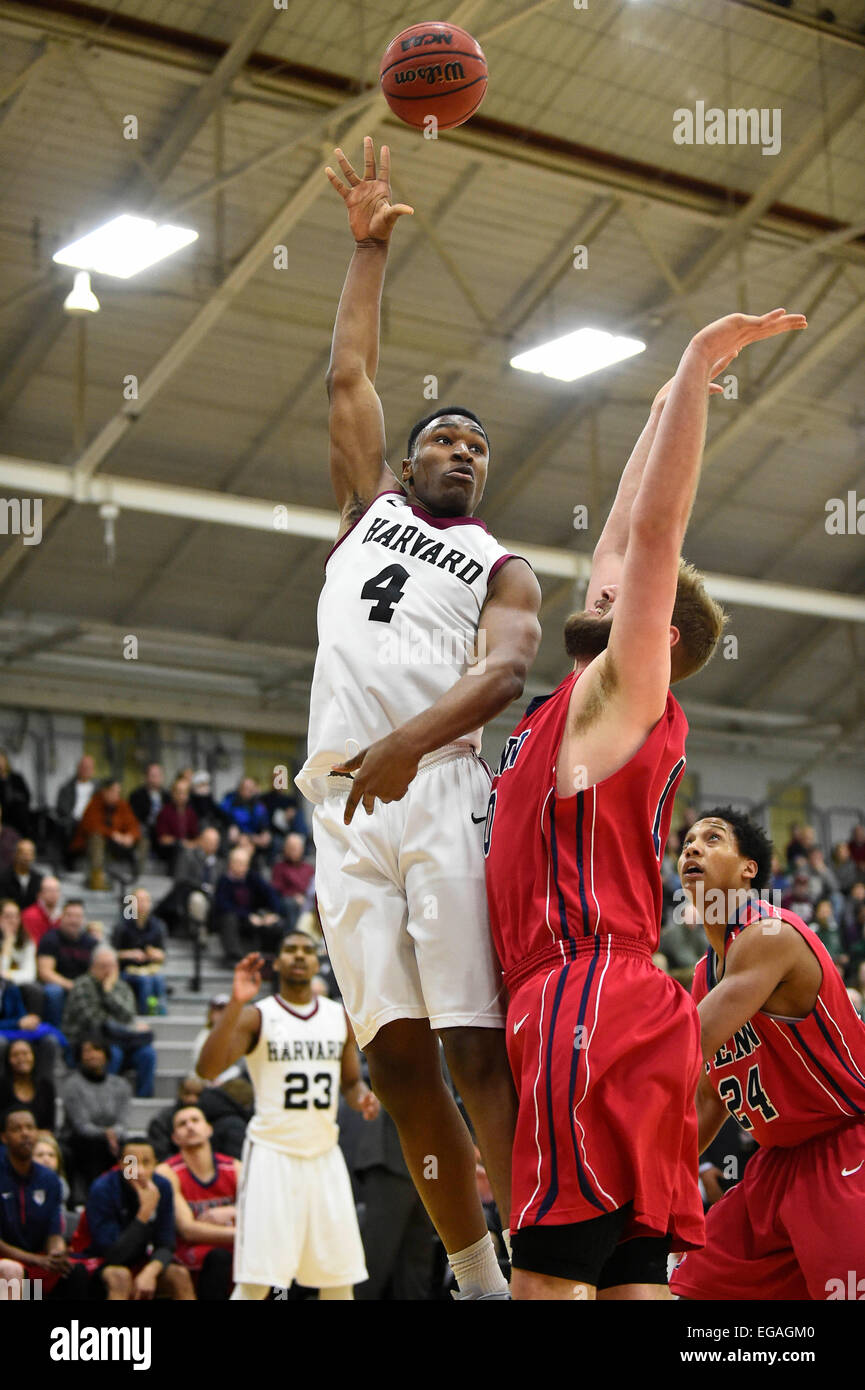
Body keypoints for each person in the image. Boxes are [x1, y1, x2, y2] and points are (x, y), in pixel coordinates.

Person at [484, 308, 806, 1301]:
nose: (605, 575)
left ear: (655, 632)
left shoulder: (627, 691)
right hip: (626, 1009)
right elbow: (626, 526)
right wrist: (668, 405)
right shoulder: (585, 703)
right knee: (629, 1281)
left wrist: (698, 357)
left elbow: (656, 530)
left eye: (622, 591)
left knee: (544, 1282)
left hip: (584, 997)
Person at [293, 136, 544, 1302]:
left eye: (480, 445)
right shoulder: (365, 511)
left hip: (439, 788)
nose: (465, 450)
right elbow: (348, 376)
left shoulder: (503, 565)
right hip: (341, 804)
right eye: (446, 436)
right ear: (407, 459)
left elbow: (503, 682)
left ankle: (546, 1260)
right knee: (395, 1062)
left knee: (472, 1046)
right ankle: (478, 1278)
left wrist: (404, 744)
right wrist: (366, 250)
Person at [669, 809, 865, 1301]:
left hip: (845, 1145)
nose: (692, 847)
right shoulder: (700, 977)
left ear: (747, 868)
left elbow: (682, 1049)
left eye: (712, 839)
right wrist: (655, 1177)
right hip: (774, 1166)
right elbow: (709, 1099)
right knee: (691, 1291)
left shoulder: (768, 935)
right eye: (687, 841)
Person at [198, 932, 378, 1299]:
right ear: (277, 962)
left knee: (339, 1278)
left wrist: (362, 1098)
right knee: (258, 1279)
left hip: (325, 1156)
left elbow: (350, 1082)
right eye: (290, 950)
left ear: (317, 963)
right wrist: (235, 1002)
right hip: (271, 1154)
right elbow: (207, 1069)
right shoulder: (257, 1016)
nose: (299, 956)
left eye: (307, 950)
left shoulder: (338, 1015)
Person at [78, 1135, 194, 1300]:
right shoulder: (102, 1188)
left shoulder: (163, 1186)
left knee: (179, 1275)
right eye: (131, 1163)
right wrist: (144, 1213)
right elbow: (113, 1255)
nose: (139, 1170)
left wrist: (150, 1272)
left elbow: (166, 1244)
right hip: (98, 1261)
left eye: (146, 1162)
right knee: (120, 1277)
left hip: (138, 1259)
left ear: (156, 1164)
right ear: (120, 1164)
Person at [0, 1107, 88, 1300]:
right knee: (12, 1273)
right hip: (7, 1262)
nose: (25, 1133)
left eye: (30, 1128)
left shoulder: (49, 1179)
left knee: (75, 1272)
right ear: (4, 1137)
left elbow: (53, 1231)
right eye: (17, 1129)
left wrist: (56, 1253)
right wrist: (37, 1260)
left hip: (37, 1262)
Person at [157, 1105, 240, 1300]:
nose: (190, 1126)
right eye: (182, 1124)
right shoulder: (168, 1172)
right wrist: (244, 1236)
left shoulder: (235, 1167)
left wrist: (233, 1210)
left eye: (195, 1120)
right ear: (175, 1138)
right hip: (190, 1251)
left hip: (235, 1246)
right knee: (220, 1257)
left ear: (209, 1129)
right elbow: (188, 1230)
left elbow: (260, 1214)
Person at [62, 946, 156, 1097]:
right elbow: (94, 1021)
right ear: (92, 967)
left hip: (120, 1040)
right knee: (112, 1053)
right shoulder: (82, 985)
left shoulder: (121, 987)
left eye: (112, 966)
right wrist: (124, 1027)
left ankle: (144, 1098)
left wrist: (109, 991)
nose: (108, 971)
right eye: (103, 966)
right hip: (86, 1043)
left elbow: (128, 1015)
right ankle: (104, 1097)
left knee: (147, 1054)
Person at [60, 1036, 131, 1195]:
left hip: (112, 1137)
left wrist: (113, 1134)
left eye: (97, 1050)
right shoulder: (72, 1085)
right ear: (79, 1056)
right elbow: (81, 1125)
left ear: (106, 1055)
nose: (92, 1055)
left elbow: (123, 1121)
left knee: (132, 1151)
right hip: (79, 1139)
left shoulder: (121, 1085)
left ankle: (131, 1192)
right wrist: (106, 1134)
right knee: (95, 1145)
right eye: (87, 1051)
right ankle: (94, 1196)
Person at [213, 845, 286, 966]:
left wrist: (273, 914)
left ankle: (270, 960)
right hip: (232, 919)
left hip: (253, 917)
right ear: (230, 864)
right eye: (237, 862)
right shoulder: (224, 881)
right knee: (229, 918)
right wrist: (248, 916)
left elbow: (270, 894)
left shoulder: (253, 878)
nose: (240, 866)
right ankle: (234, 957)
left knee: (276, 924)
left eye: (243, 863)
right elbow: (223, 905)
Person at [70, 779, 144, 891]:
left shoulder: (122, 805)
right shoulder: (95, 803)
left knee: (143, 841)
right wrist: (112, 834)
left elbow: (134, 826)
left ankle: (138, 876)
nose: (116, 795)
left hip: (117, 845)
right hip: (92, 845)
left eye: (118, 792)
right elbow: (90, 826)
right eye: (113, 791)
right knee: (96, 839)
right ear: (105, 791)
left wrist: (130, 836)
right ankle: (97, 878)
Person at [36, 899, 98, 1027]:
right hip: (59, 985)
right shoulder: (50, 939)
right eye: (70, 916)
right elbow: (45, 972)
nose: (74, 920)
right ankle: (56, 1032)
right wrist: (70, 985)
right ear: (61, 917)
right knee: (54, 992)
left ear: (83, 919)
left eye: (78, 916)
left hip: (83, 985)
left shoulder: (91, 942)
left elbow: (98, 970)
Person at [111, 887, 168, 1014]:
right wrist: (129, 954)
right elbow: (111, 953)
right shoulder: (122, 926)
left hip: (149, 969)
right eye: (138, 900)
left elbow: (163, 955)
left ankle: (162, 1013)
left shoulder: (157, 926)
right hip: (127, 970)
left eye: (145, 900)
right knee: (145, 981)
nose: (142, 904)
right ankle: (145, 1015)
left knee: (158, 979)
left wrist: (156, 954)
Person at [0, 1038, 55, 1130]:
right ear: (8, 1060)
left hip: (40, 1137)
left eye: (25, 1054)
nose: (21, 1058)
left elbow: (50, 1125)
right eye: (15, 1055)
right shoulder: (2, 1086)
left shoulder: (46, 1086)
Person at [148, 1075, 206, 1161]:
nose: (192, 1098)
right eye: (187, 1093)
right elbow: (161, 1153)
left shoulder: (210, 1116)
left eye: (197, 1095)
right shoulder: (162, 1120)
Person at [154, 777, 199, 871]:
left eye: (184, 793)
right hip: (171, 852)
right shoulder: (165, 812)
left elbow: (196, 837)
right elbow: (163, 839)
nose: (181, 796)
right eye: (179, 792)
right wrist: (181, 843)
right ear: (173, 793)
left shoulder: (191, 813)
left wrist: (191, 844)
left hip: (189, 850)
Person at [271, 832, 315, 924]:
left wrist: (307, 899)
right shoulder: (279, 867)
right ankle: (294, 934)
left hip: (309, 900)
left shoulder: (309, 868)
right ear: (285, 849)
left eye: (297, 848)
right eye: (291, 848)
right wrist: (294, 896)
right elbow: (277, 890)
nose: (294, 850)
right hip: (289, 901)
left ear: (302, 849)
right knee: (290, 904)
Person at [219, 777, 271, 855]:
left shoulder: (259, 806)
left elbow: (264, 825)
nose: (249, 791)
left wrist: (265, 833)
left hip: (254, 838)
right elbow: (225, 819)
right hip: (237, 838)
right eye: (246, 788)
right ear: (239, 789)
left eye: (252, 789)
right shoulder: (230, 802)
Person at [22, 876, 62, 946]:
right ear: (39, 894)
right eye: (49, 890)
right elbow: (34, 941)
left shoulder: (63, 916)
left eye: (56, 890)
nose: (53, 893)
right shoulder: (29, 915)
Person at [0, 839, 41, 909]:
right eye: (23, 853)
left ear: (34, 856)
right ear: (16, 854)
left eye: (30, 853)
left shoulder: (38, 879)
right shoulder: (3, 878)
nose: (26, 857)